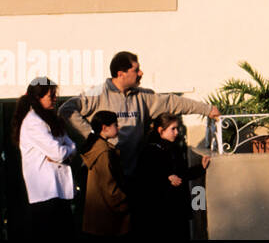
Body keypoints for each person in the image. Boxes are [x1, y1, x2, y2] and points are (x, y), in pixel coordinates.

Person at [59, 51, 219, 179]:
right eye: (136, 70)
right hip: (104, 176)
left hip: (135, 176)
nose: (141, 73)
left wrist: (207, 109)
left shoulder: (143, 97)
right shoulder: (97, 94)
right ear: (121, 74)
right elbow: (66, 111)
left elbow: (172, 102)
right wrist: (94, 138)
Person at [12, 77, 77, 239]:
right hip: (45, 193)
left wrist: (64, 152)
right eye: (51, 95)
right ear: (37, 98)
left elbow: (72, 146)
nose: (55, 98)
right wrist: (65, 152)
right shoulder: (33, 122)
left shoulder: (52, 120)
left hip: (58, 191)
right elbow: (60, 152)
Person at [135, 113, 210, 240]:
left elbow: (182, 174)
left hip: (176, 208)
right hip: (161, 212)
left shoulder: (174, 148)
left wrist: (200, 168)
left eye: (177, 128)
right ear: (161, 130)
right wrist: (166, 179)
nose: (176, 132)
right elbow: (145, 181)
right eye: (173, 129)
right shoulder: (150, 151)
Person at [81, 111, 131, 238]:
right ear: (104, 128)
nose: (118, 127)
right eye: (115, 124)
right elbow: (109, 185)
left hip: (98, 214)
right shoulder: (103, 151)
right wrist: (126, 202)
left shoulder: (96, 146)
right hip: (107, 215)